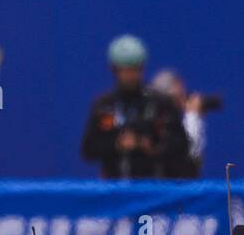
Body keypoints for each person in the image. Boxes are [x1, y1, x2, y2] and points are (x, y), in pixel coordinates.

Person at [80, 35, 189, 179]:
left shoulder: (160, 104)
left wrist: (152, 146)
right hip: (115, 187)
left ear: (142, 69)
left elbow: (182, 144)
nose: (130, 76)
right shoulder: (104, 106)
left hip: (154, 186)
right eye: (124, 70)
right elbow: (89, 149)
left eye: (135, 70)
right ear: (114, 70)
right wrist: (117, 144)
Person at [149, 69, 208, 179]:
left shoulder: (175, 122)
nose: (183, 99)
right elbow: (190, 151)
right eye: (179, 95)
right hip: (168, 187)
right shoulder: (159, 124)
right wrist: (192, 116)